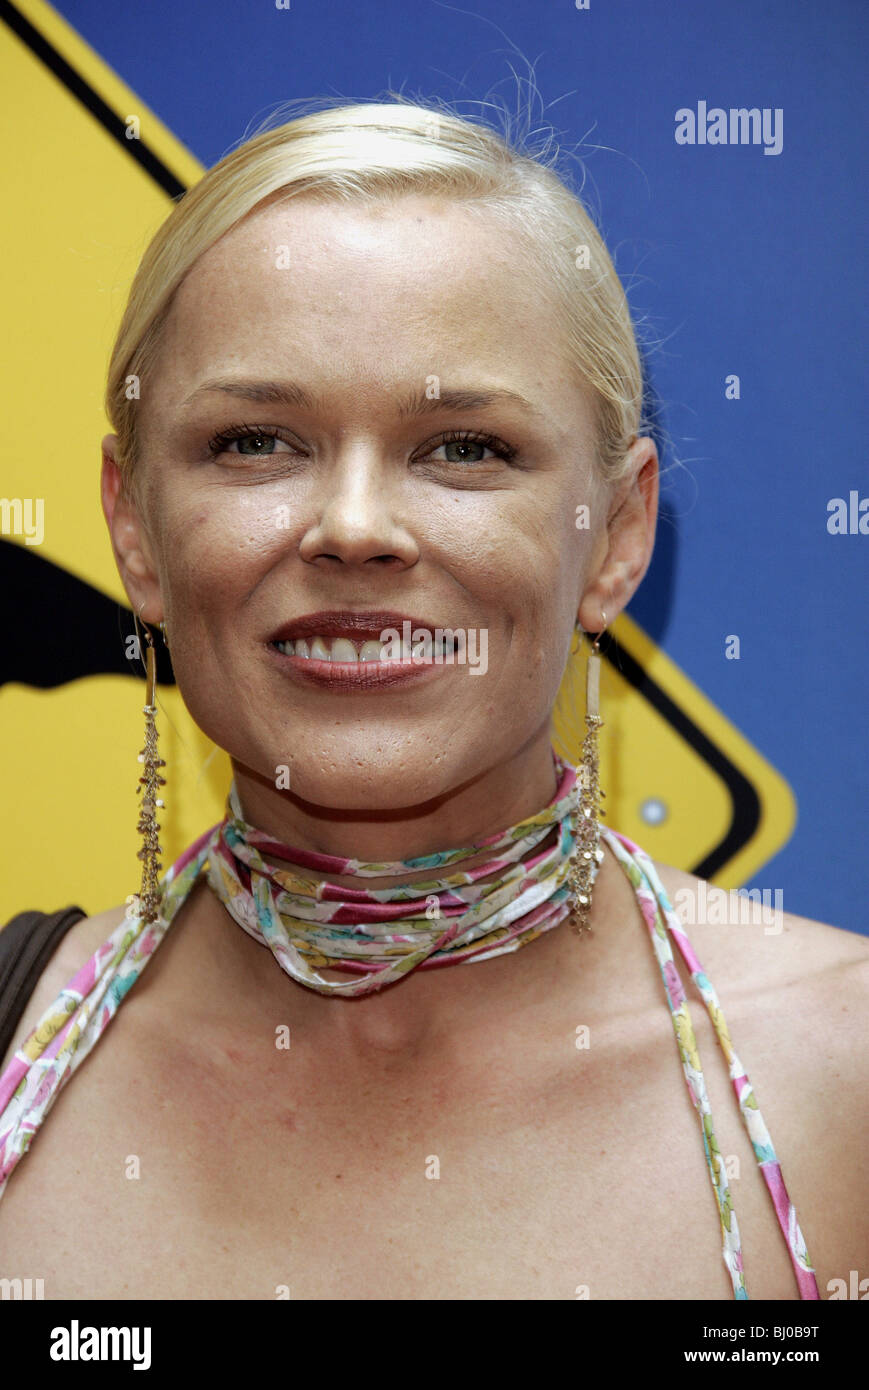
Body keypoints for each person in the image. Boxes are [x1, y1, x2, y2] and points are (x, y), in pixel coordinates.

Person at [0, 99, 866, 1302]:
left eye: (463, 447)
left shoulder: (848, 1069)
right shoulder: (15, 1051)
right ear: (134, 529)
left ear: (615, 535)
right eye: (255, 441)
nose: (353, 528)